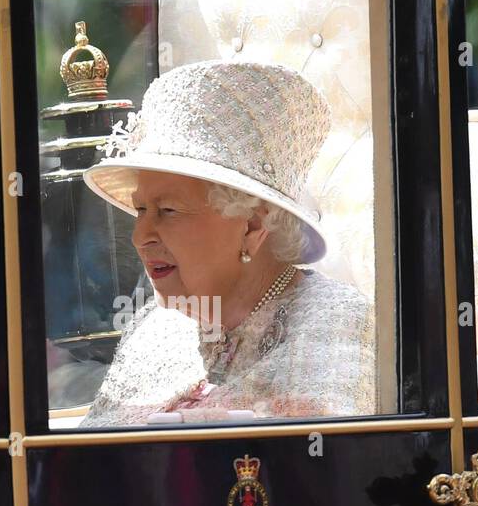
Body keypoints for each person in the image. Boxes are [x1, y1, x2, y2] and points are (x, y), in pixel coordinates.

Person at [78, 59, 375, 426]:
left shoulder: (340, 325)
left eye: (168, 210)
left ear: (252, 224)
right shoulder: (154, 328)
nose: (140, 237)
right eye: (140, 209)